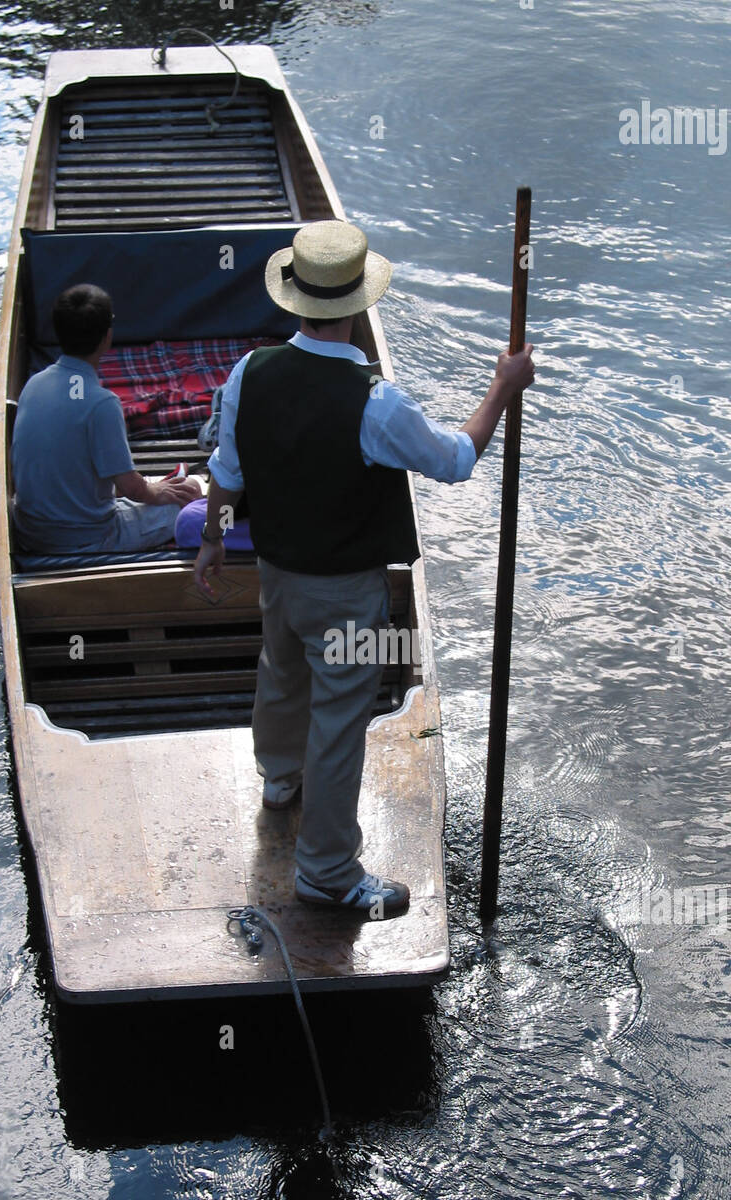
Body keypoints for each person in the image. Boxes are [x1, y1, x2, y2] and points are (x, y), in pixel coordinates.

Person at [193, 221, 534, 916]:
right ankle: (324, 870)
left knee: (281, 675)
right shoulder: (377, 404)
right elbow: (457, 460)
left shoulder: (247, 372)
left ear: (295, 299)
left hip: (278, 574)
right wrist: (503, 387)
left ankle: (278, 781)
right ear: (356, 306)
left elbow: (224, 474)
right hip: (345, 591)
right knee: (339, 719)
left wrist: (211, 540)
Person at [11, 283, 200, 555]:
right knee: (191, 493)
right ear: (106, 336)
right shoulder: (102, 404)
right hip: (86, 537)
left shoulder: (33, 384)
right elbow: (132, 489)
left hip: (30, 532)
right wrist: (158, 492)